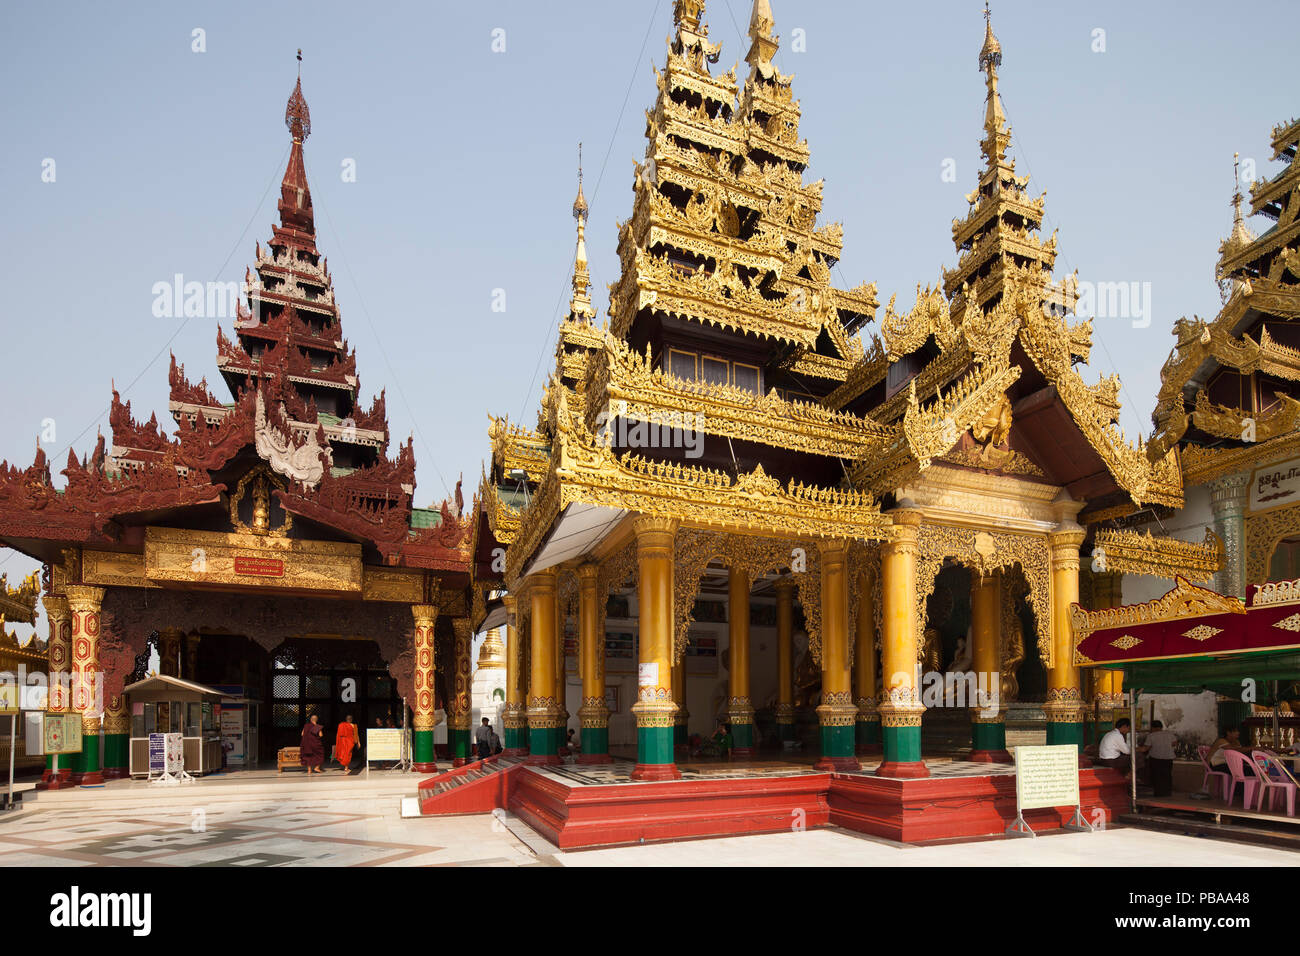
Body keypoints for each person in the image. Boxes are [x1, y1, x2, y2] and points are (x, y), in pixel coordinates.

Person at [1144, 720, 1177, 797]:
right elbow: (1175, 743)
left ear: (1153, 728)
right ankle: (1167, 792)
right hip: (1168, 758)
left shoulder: (1151, 736)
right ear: (1161, 727)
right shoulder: (1170, 734)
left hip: (1156, 758)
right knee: (1167, 775)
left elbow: (1146, 748)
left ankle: (1158, 793)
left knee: (1157, 776)